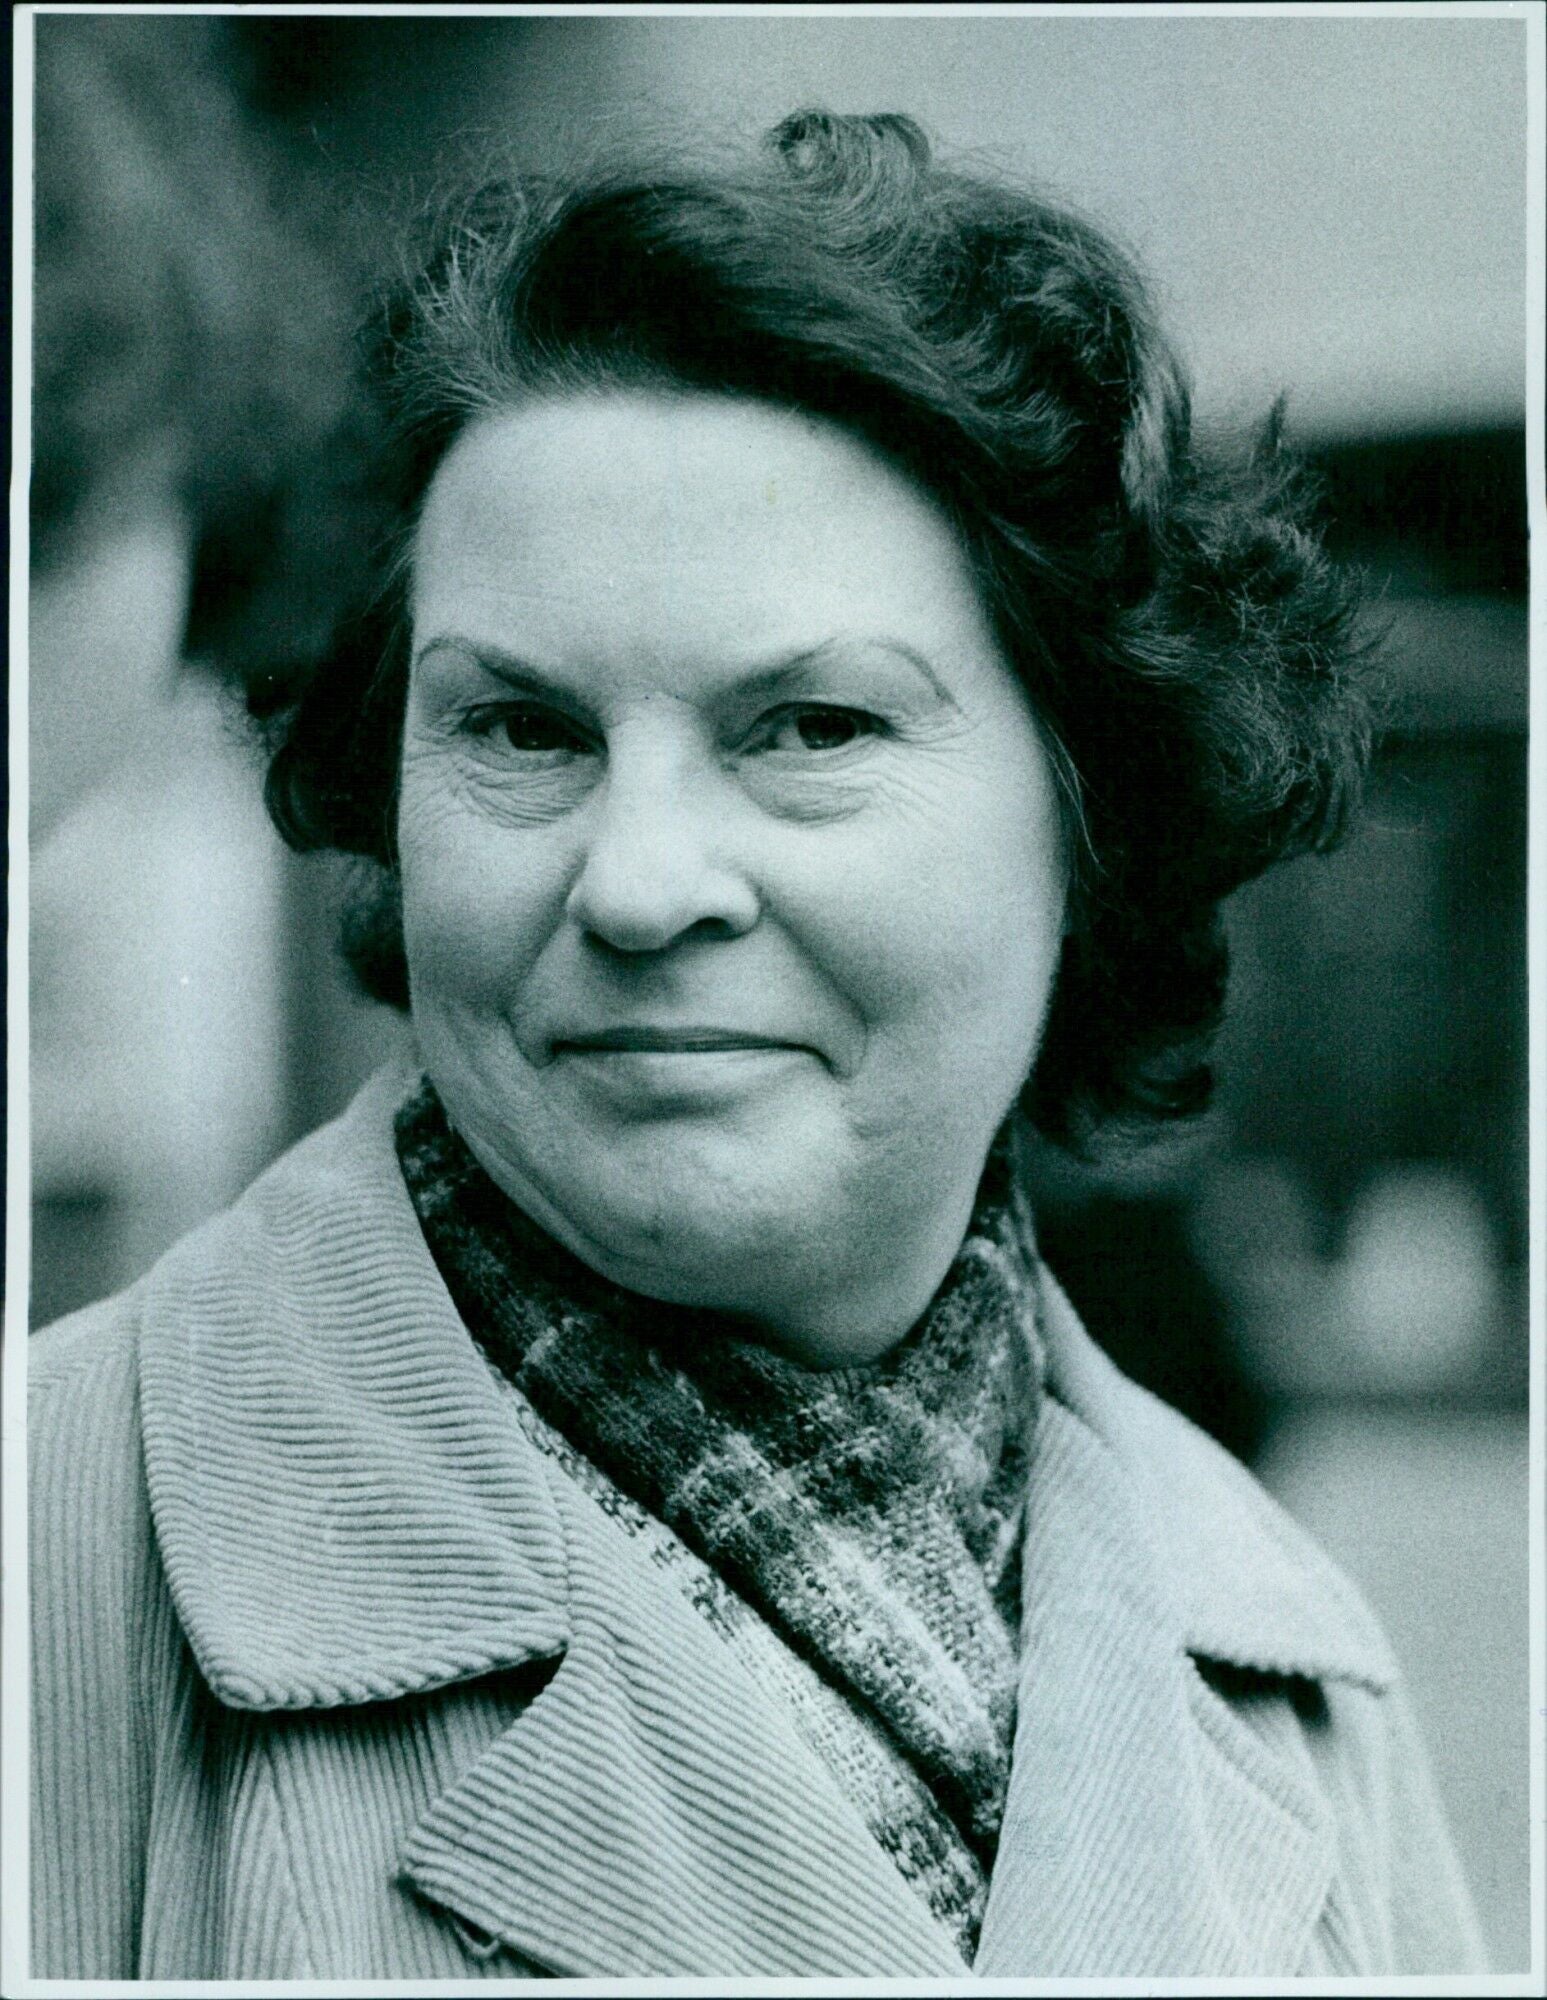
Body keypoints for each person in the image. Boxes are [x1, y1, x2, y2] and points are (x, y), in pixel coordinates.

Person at [29, 110, 1486, 1978]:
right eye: (525, 733)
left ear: (1090, 815)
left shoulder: (1303, 1678)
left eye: (808, 730)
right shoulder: (47, 1561)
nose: (636, 886)